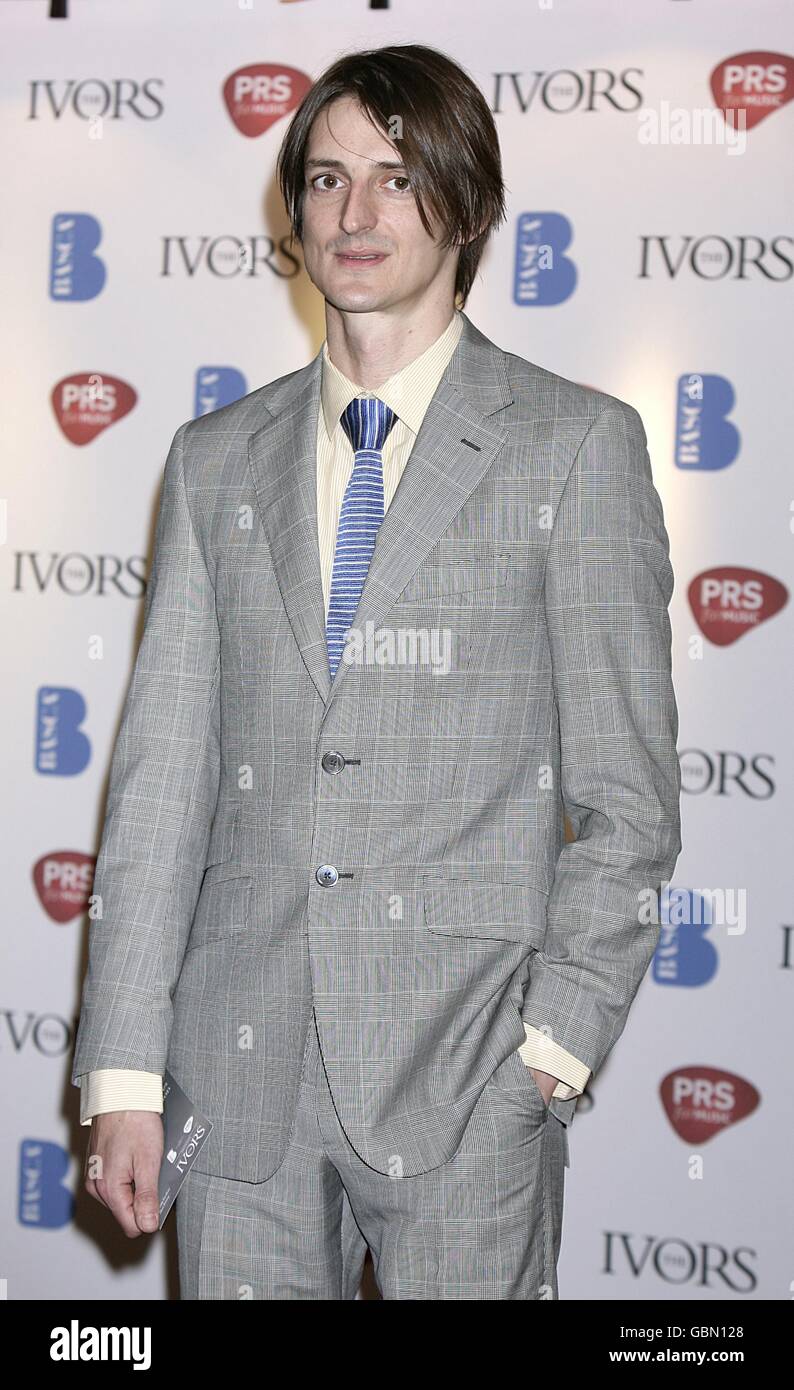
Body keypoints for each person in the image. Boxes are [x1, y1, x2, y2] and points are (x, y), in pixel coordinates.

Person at [72, 43, 681, 1300]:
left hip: (465, 1082)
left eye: (397, 179)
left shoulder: (573, 448)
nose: (355, 215)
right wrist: (126, 1073)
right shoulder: (212, 461)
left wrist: (551, 1051)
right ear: (291, 207)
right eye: (327, 177)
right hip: (237, 1087)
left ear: (462, 204)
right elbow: (159, 790)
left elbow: (627, 804)